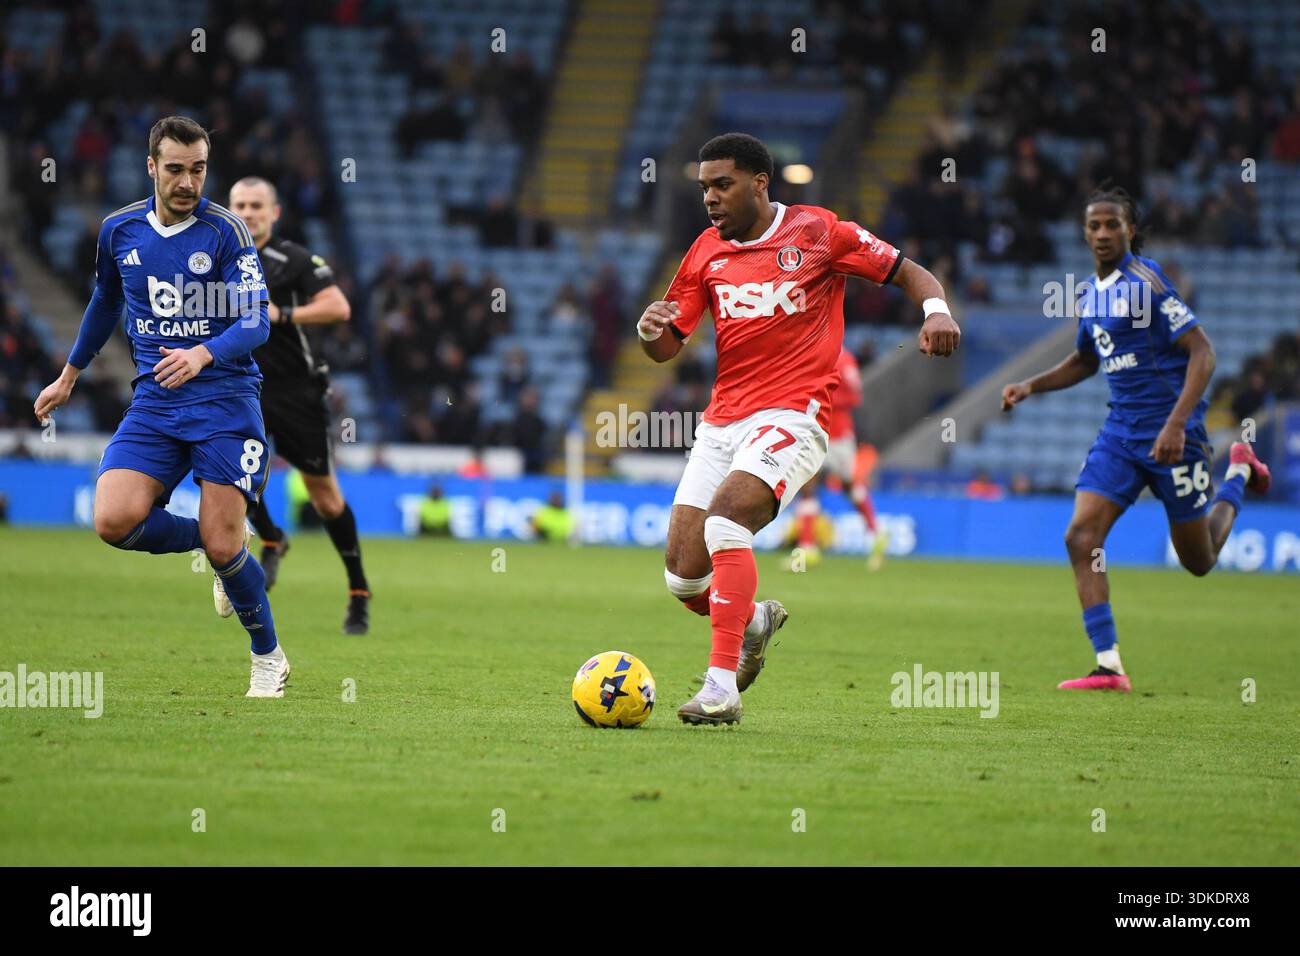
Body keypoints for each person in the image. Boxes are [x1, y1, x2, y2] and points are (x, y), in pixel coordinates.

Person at [639, 132, 960, 725]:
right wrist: (648, 327)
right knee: (683, 578)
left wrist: (935, 311)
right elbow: (667, 344)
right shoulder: (705, 252)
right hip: (721, 422)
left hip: (795, 414)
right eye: (704, 186)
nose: (710, 197)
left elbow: (908, 271)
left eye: (722, 184)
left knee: (728, 518)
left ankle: (720, 687)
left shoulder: (820, 232)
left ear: (760, 182)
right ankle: (755, 619)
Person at [32, 115, 289, 698]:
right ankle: (209, 539)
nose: (187, 181)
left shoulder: (227, 233)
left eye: (198, 169)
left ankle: (267, 656)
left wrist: (204, 353)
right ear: (151, 167)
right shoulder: (118, 231)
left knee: (226, 545)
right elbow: (104, 301)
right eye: (175, 169)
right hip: (156, 401)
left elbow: (254, 321)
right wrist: (70, 374)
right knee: (113, 520)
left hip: (225, 400)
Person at [1001, 185, 1271, 692]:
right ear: (1084, 232)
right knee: (1081, 537)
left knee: (1200, 560)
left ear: (1130, 229)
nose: (1103, 233)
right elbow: (1086, 359)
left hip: (1175, 437)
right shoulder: (1089, 293)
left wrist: (1174, 423)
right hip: (1120, 435)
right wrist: (1031, 385)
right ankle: (1108, 666)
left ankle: (1237, 468)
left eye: (1112, 224)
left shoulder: (1147, 283)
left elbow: (1203, 353)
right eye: (1094, 225)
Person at [228, 177, 372, 635]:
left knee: (325, 497)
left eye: (256, 205)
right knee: (230, 474)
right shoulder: (214, 258)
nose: (247, 213)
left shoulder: (293, 259)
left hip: (294, 391)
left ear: (275, 212)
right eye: (239, 205)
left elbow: (339, 307)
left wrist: (284, 314)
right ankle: (272, 538)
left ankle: (358, 590)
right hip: (239, 386)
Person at [787, 346, 889, 571]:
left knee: (849, 485)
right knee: (806, 486)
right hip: (813, 430)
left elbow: (854, 395)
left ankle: (876, 533)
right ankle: (807, 548)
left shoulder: (844, 358)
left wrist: (825, 394)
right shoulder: (809, 350)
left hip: (838, 434)